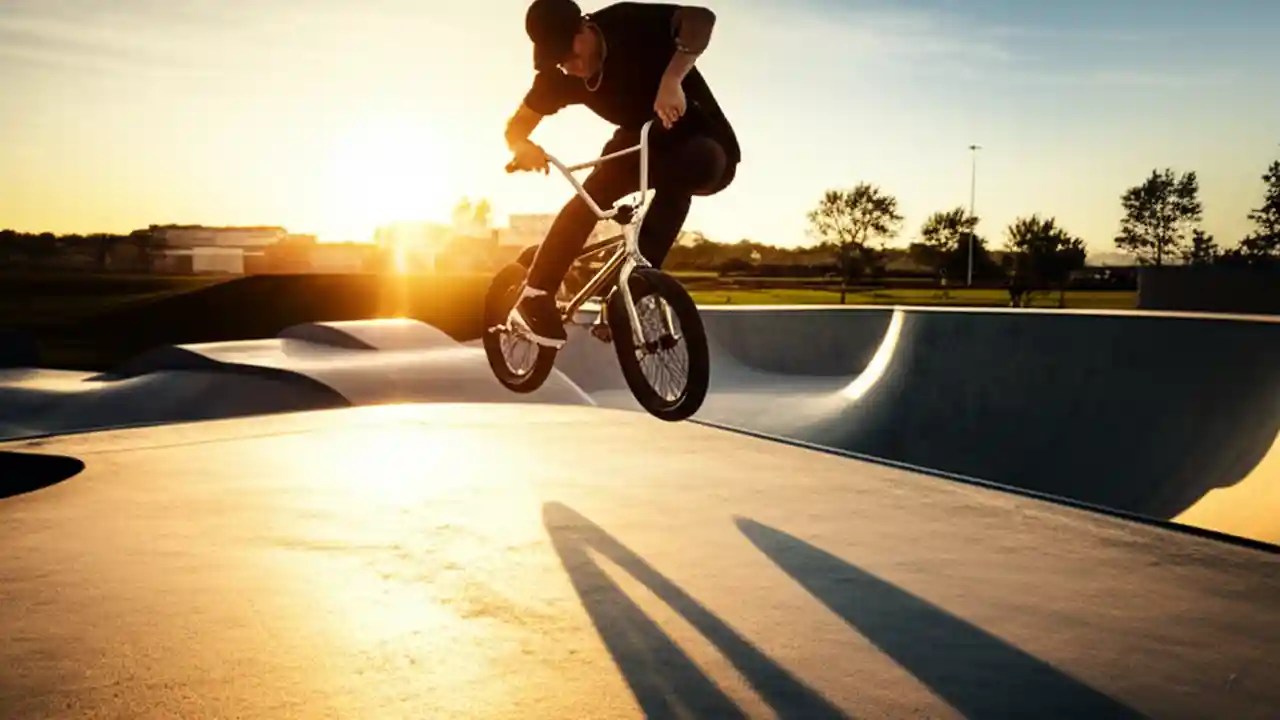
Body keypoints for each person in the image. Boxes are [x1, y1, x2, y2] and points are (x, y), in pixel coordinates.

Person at [504, 0, 740, 348]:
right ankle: (535, 295)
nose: (570, 67)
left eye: (570, 53)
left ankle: (630, 289)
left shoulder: (625, 21)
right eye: (560, 61)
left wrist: (673, 78)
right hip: (636, 141)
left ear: (584, 28)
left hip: (700, 138)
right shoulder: (560, 76)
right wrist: (520, 145)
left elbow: (701, 19)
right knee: (588, 199)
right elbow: (517, 126)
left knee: (689, 170)